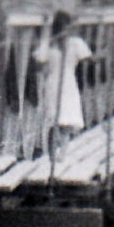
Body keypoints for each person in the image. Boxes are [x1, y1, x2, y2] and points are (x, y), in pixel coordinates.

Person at [31, 11, 93, 157]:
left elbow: (38, 65)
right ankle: (58, 154)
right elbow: (88, 59)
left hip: (58, 83)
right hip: (62, 82)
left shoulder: (62, 43)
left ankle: (57, 154)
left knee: (59, 119)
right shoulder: (68, 43)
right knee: (61, 120)